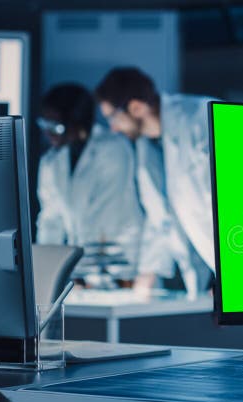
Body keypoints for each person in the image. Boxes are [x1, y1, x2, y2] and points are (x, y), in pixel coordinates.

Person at [95, 67, 216, 298]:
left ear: (136, 108)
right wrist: (147, 273)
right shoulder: (147, 144)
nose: (113, 127)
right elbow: (159, 217)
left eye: (112, 117)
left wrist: (227, 283)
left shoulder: (201, 118)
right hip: (205, 266)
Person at [36, 83, 143, 276]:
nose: (48, 133)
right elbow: (50, 219)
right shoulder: (51, 161)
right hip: (82, 265)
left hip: (119, 262)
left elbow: (103, 217)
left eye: (56, 126)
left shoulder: (113, 150)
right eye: (45, 124)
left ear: (76, 122)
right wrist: (45, 270)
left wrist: (77, 271)